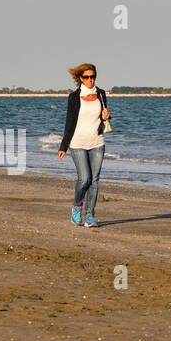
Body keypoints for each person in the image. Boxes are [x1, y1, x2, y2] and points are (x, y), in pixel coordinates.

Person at [57, 63, 111, 228]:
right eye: (86, 77)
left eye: (92, 76)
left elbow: (103, 118)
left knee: (94, 181)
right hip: (77, 143)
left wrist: (107, 115)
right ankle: (77, 207)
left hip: (97, 142)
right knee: (85, 178)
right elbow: (70, 122)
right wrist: (63, 146)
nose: (90, 80)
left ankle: (90, 215)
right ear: (80, 78)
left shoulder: (101, 94)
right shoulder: (74, 97)